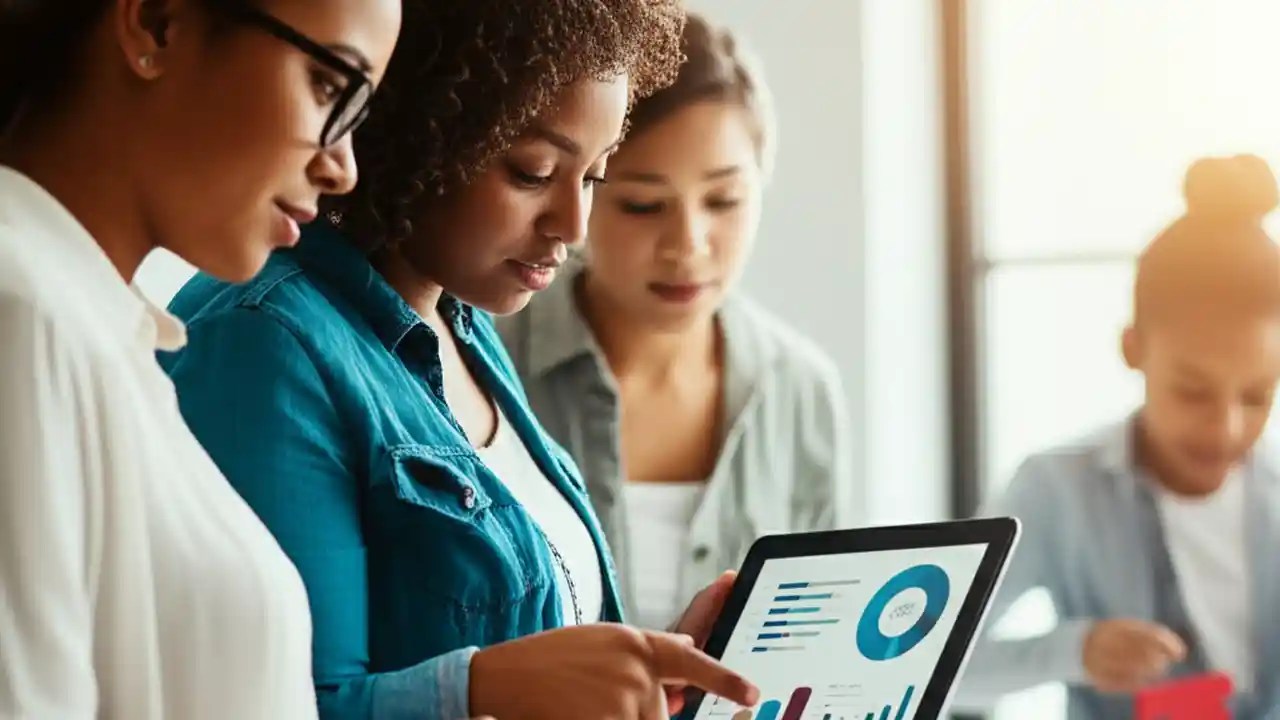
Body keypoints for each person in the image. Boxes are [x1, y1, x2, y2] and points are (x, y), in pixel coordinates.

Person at [158, 2, 760, 719]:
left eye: (594, 177)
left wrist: (648, 671)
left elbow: (525, 655)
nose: (573, 225)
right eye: (533, 172)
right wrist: (481, 687)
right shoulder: (267, 344)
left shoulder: (457, 321)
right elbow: (279, 703)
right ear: (420, 131)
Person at [0, 0, 399, 717]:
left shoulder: (97, 329)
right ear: (156, 25)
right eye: (329, 85)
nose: (342, 167)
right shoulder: (23, 312)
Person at [496, 13, 855, 631]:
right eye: (643, 204)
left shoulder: (801, 389)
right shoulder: (481, 361)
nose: (687, 246)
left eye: (723, 200)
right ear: (579, 190)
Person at [957, 155, 1280, 720]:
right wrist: (1073, 652)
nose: (1226, 428)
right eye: (1193, 392)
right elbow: (939, 668)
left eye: (1256, 396)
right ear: (1133, 348)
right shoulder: (1056, 489)